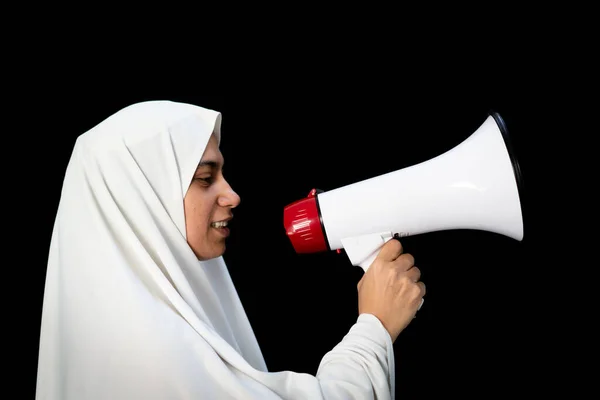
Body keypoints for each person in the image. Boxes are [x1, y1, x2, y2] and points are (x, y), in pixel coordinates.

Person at [35, 100, 426, 400]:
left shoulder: (116, 333)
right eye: (205, 178)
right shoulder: (150, 360)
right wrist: (373, 328)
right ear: (140, 198)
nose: (232, 194)